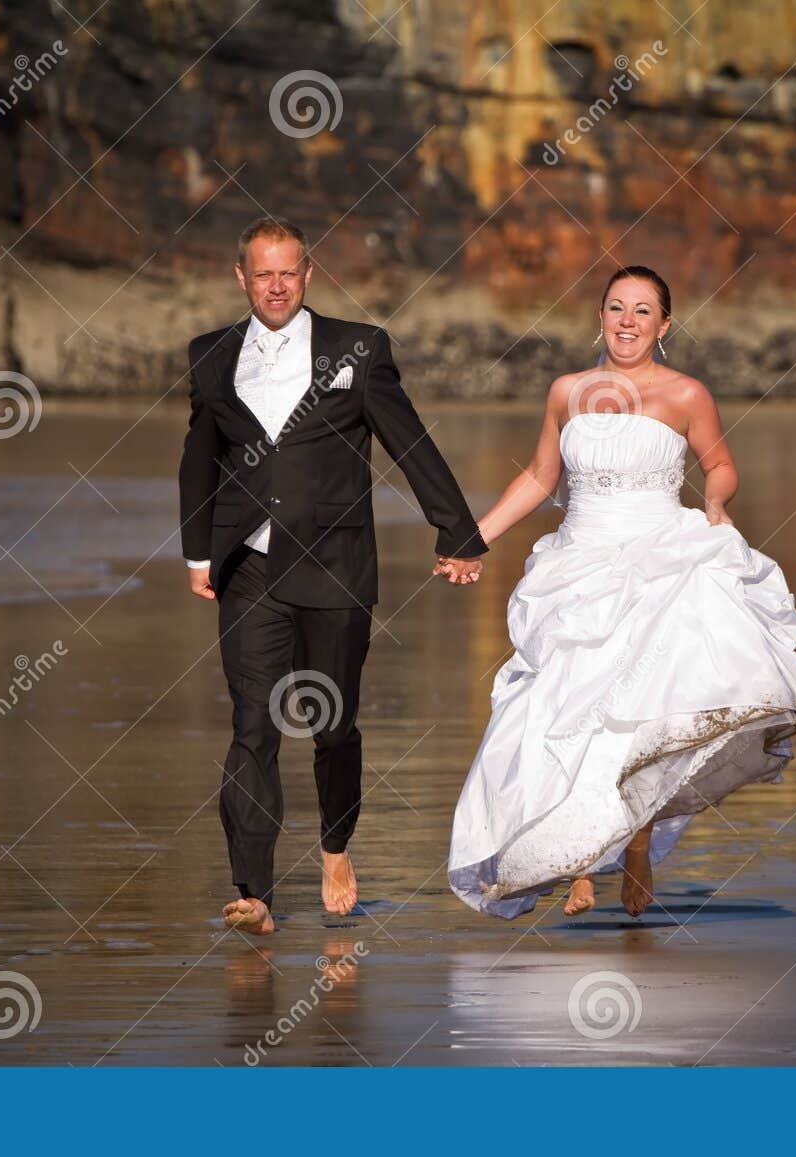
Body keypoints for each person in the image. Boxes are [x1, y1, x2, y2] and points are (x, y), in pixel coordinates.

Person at [447, 265, 796, 919]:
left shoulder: (685, 394)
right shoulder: (568, 391)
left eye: (643, 311)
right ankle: (583, 860)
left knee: (639, 719)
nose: (627, 321)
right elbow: (539, 476)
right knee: (569, 716)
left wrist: (719, 505)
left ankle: (635, 846)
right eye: (616, 307)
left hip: (659, 561)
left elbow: (720, 464)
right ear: (600, 316)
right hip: (577, 570)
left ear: (664, 325)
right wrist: (476, 536)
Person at [179, 216, 486, 935]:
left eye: (289, 271)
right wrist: (199, 552)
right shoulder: (211, 355)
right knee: (252, 724)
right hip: (248, 565)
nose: (277, 284)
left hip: (336, 566)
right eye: (263, 273)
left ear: (308, 274)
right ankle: (252, 888)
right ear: (241, 278)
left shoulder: (359, 347)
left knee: (333, 726)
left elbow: (408, 440)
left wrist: (459, 532)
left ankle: (336, 845)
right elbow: (200, 458)